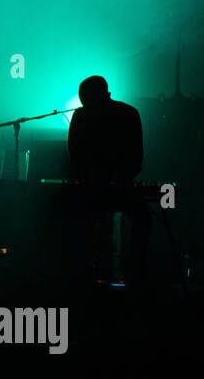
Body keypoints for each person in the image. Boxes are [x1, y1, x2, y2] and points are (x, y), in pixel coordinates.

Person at [64, 76, 151, 287]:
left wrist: (93, 179)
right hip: (116, 186)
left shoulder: (82, 115)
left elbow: (74, 154)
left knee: (71, 217)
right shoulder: (129, 113)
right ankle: (135, 272)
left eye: (84, 96)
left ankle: (76, 274)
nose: (83, 101)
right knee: (144, 218)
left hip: (93, 188)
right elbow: (136, 157)